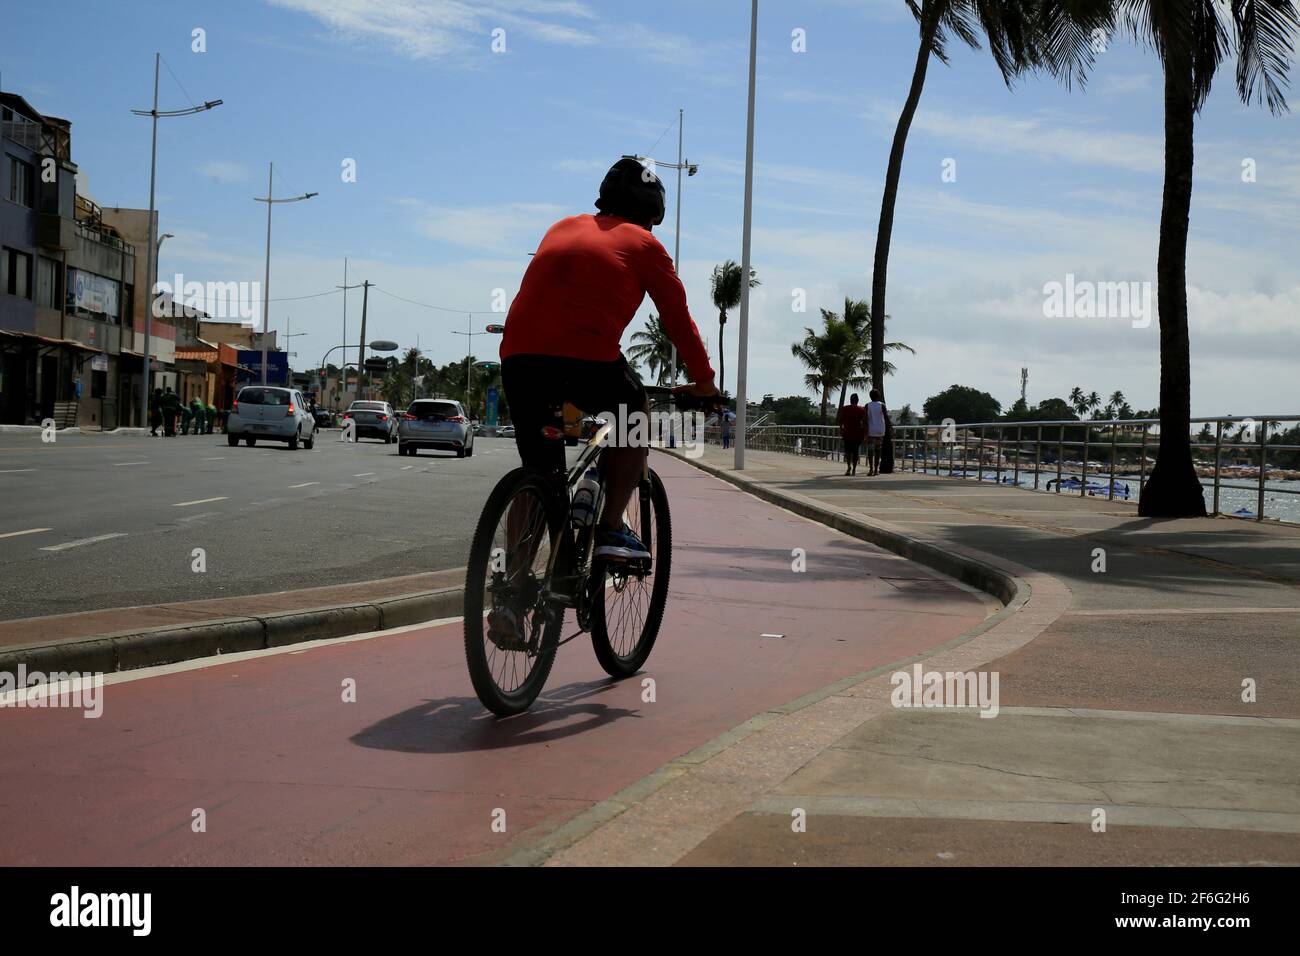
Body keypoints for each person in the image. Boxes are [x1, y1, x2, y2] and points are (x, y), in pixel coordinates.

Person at [499, 156, 718, 567]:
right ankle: (612, 526)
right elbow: (679, 323)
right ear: (652, 212)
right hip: (586, 363)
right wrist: (705, 383)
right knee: (633, 411)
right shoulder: (645, 244)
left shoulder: (561, 226)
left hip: (519, 360)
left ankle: (514, 582)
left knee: (541, 474)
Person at [837, 393, 867, 475]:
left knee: (848, 451)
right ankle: (854, 468)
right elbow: (864, 423)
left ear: (850, 400)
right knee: (855, 452)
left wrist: (841, 430)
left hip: (847, 432)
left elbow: (840, 421)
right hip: (858, 434)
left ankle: (848, 467)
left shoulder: (845, 409)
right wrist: (865, 433)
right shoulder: (861, 409)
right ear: (857, 401)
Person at [865, 388, 889, 476]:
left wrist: (865, 430)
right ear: (878, 396)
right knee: (878, 450)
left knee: (870, 450)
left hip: (871, 431)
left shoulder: (867, 405)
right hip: (880, 430)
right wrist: (891, 428)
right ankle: (876, 469)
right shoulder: (882, 405)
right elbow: (886, 417)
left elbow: (865, 419)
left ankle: (871, 468)